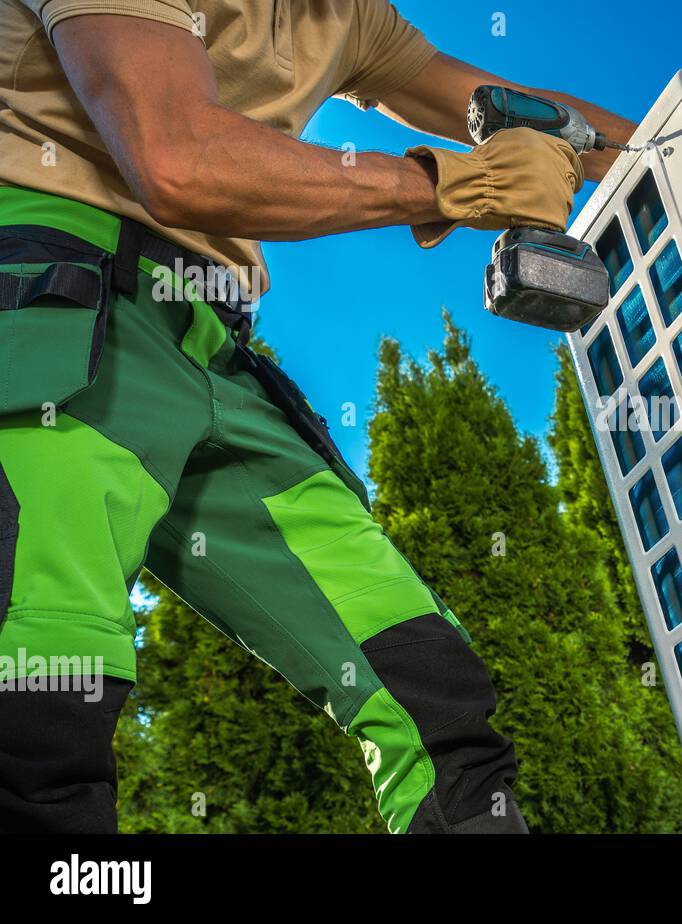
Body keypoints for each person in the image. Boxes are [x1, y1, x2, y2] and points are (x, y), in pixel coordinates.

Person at [0, 0, 635, 834]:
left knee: (429, 693)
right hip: (53, 288)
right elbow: (177, 159)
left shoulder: (348, 17)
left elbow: (562, 124)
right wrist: (454, 184)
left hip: (216, 344)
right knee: (42, 678)